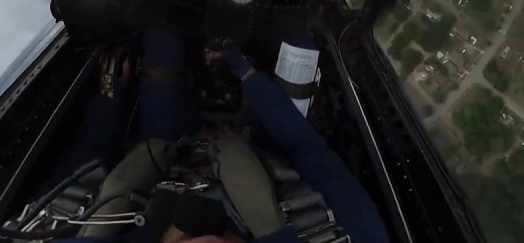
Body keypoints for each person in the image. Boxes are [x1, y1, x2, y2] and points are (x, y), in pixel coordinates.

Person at [44, 28, 388, 243]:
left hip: (167, 153)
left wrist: (110, 96)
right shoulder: (355, 236)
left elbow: (84, 166)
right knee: (298, 40)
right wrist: (248, 74)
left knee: (161, 30)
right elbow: (309, 150)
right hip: (258, 149)